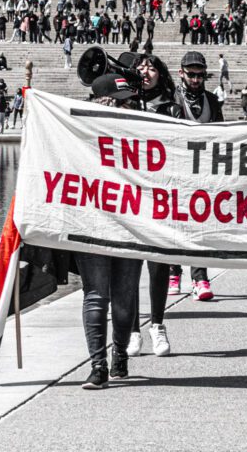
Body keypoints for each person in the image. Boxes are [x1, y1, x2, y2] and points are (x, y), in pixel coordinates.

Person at [75, 73, 145, 389]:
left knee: (124, 296)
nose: (132, 106)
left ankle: (119, 357)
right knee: (96, 294)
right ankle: (98, 365)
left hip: (133, 223)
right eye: (125, 102)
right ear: (105, 102)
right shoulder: (79, 134)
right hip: (92, 221)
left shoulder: (143, 134)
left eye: (132, 101)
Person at [126, 54, 177, 358]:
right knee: (129, 268)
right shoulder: (124, 103)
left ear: (161, 74)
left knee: (158, 264)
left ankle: (157, 324)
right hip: (131, 195)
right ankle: (132, 330)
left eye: (152, 67)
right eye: (141, 67)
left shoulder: (171, 106)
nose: (146, 71)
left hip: (161, 195)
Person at [165, 52, 223, 301]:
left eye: (200, 75)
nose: (196, 79)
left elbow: (223, 135)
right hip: (175, 172)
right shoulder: (171, 99)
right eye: (191, 74)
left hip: (203, 173)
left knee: (199, 227)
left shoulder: (212, 100)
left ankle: (200, 277)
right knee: (174, 224)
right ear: (181, 73)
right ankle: (173, 271)